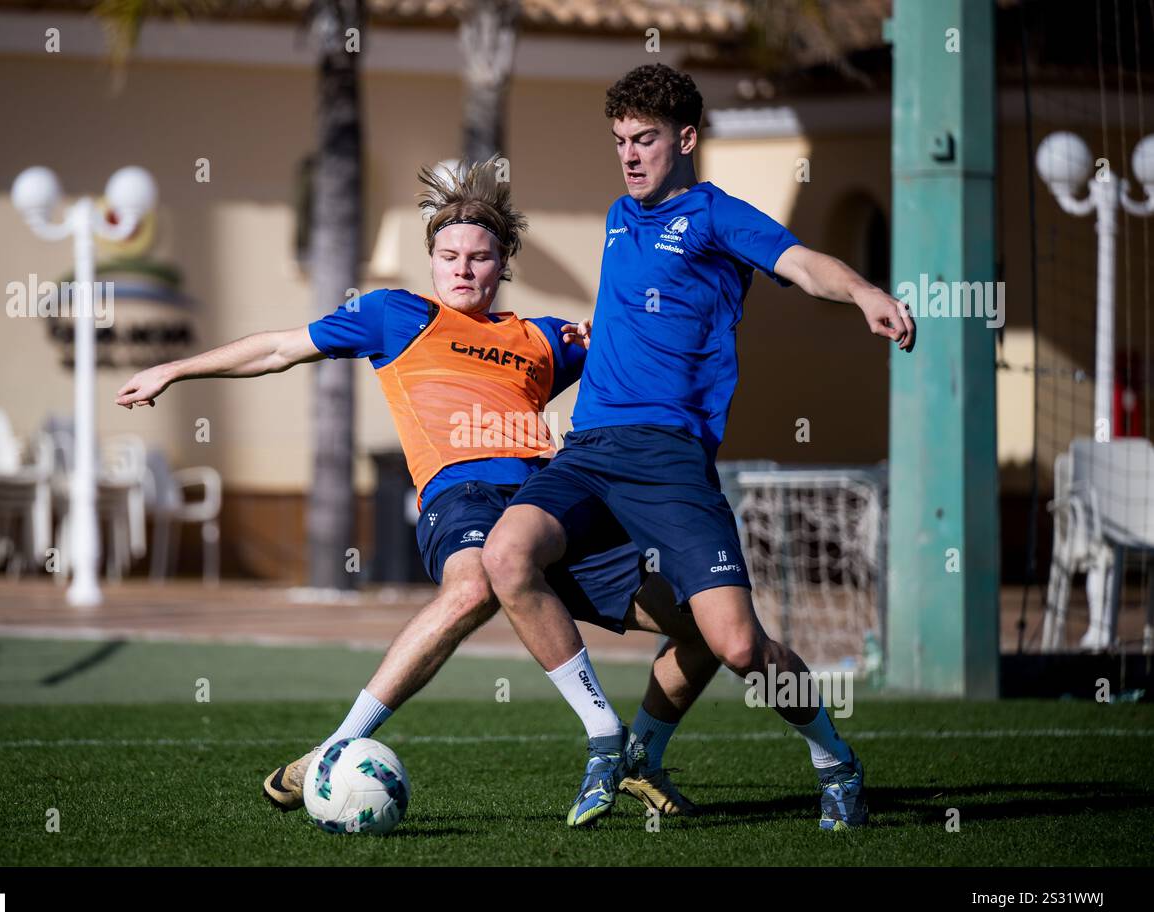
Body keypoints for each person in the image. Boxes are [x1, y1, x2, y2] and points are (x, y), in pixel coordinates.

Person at [116, 158, 721, 825]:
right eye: (449, 254)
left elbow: (636, 354)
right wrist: (176, 368)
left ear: (503, 264)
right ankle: (339, 749)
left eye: (480, 257)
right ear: (431, 260)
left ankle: (640, 754)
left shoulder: (544, 337)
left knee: (706, 628)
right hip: (464, 502)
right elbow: (279, 349)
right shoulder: (394, 315)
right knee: (472, 586)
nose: (463, 268)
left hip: (552, 509)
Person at [480, 64, 916, 829]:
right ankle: (607, 740)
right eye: (619, 140)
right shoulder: (619, 213)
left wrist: (865, 294)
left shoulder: (716, 215)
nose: (629, 155)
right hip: (588, 450)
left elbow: (802, 263)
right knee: (507, 554)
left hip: (670, 458)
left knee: (739, 646)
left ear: (685, 138)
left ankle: (835, 761)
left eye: (644, 138)